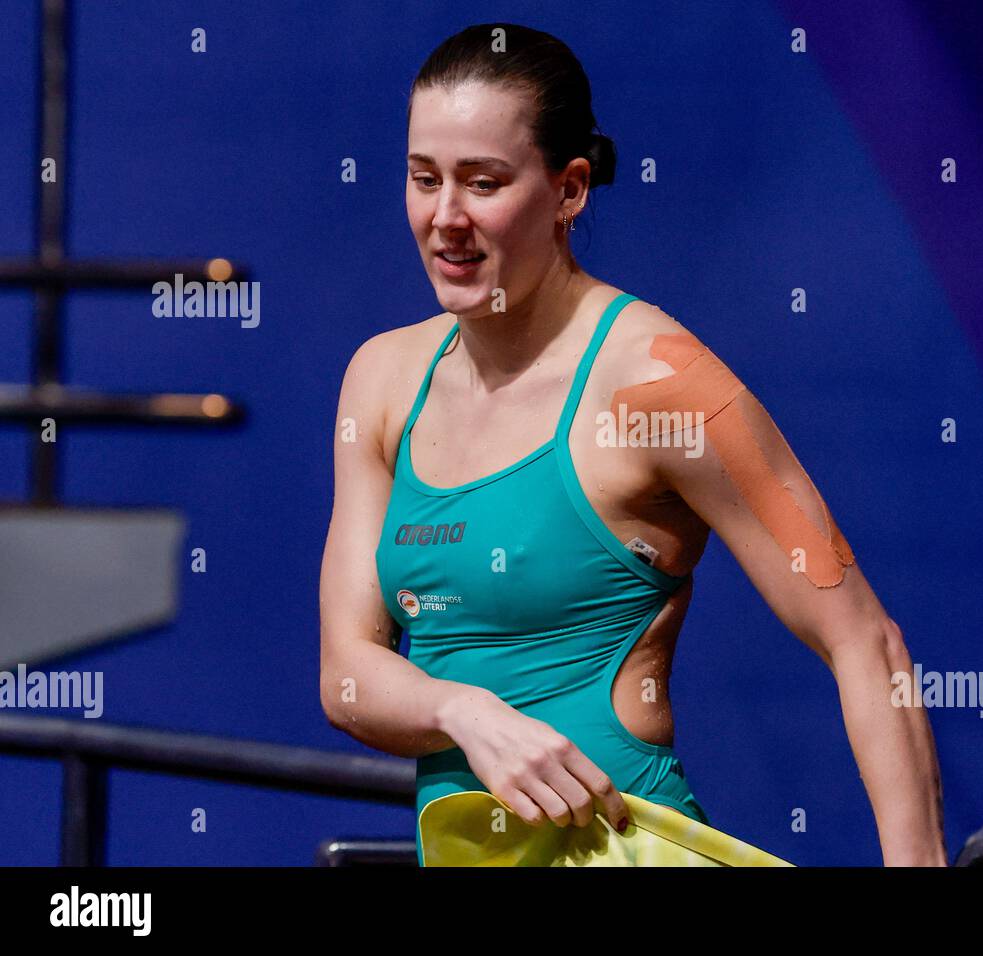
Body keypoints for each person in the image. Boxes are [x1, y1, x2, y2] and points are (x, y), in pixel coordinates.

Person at [318, 22, 947, 866]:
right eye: (423, 178)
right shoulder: (382, 380)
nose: (446, 218)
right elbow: (347, 676)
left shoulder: (659, 382)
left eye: (485, 182)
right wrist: (467, 713)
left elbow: (866, 643)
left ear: (570, 188)